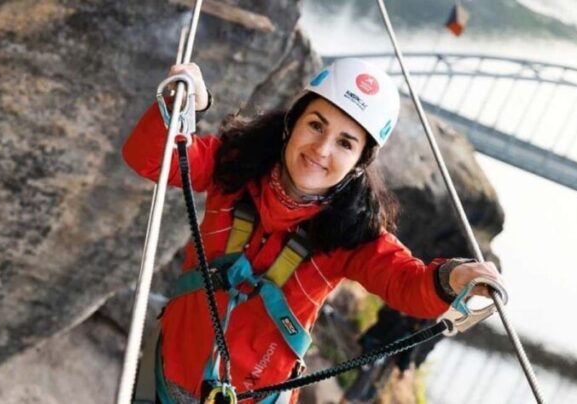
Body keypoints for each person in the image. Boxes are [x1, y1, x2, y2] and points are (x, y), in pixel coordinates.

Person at [122, 58, 502, 403]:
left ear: (358, 163)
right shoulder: (233, 168)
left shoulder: (352, 235)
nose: (321, 149)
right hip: (167, 378)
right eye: (316, 125)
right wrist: (180, 106)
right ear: (293, 123)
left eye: (345, 143)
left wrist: (454, 276)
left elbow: (407, 284)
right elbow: (150, 157)